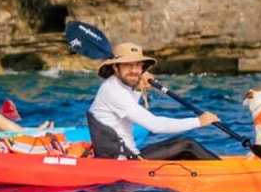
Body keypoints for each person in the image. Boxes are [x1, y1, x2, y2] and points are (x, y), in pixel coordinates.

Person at [87, 42, 220, 160]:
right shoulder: (114, 92)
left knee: (182, 145)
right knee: (187, 145)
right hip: (122, 161)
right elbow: (155, 125)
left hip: (126, 155)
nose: (134, 70)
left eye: (138, 65)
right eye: (128, 65)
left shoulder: (115, 85)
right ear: (115, 67)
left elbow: (128, 110)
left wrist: (138, 88)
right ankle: (226, 173)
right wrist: (198, 121)